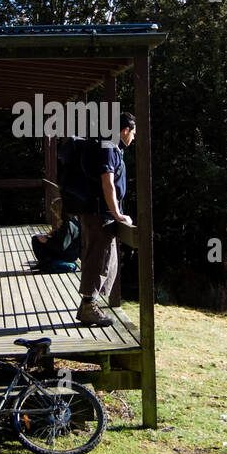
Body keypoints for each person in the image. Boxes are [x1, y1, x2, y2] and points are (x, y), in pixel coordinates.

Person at [76, 111, 136, 326]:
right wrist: (117, 213)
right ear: (125, 130)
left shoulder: (106, 146)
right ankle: (88, 307)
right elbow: (107, 183)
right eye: (133, 133)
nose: (133, 138)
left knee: (105, 259)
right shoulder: (108, 148)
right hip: (101, 213)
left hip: (99, 211)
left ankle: (90, 305)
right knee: (99, 260)